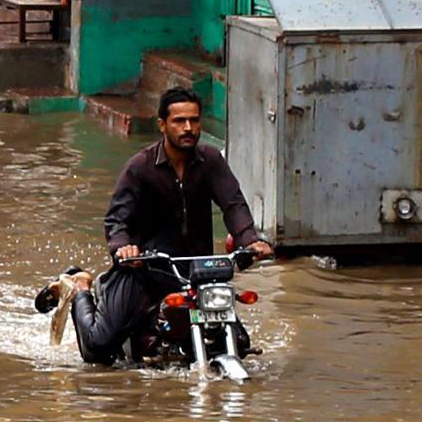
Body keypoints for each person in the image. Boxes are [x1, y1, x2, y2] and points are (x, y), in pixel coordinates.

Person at [44, 86, 275, 363]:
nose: (188, 128)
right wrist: (123, 249)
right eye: (179, 121)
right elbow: (117, 219)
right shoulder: (140, 167)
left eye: (194, 120)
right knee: (99, 348)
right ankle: (81, 287)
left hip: (194, 272)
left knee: (237, 343)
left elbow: (233, 204)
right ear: (162, 125)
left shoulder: (211, 161)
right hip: (144, 270)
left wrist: (249, 240)